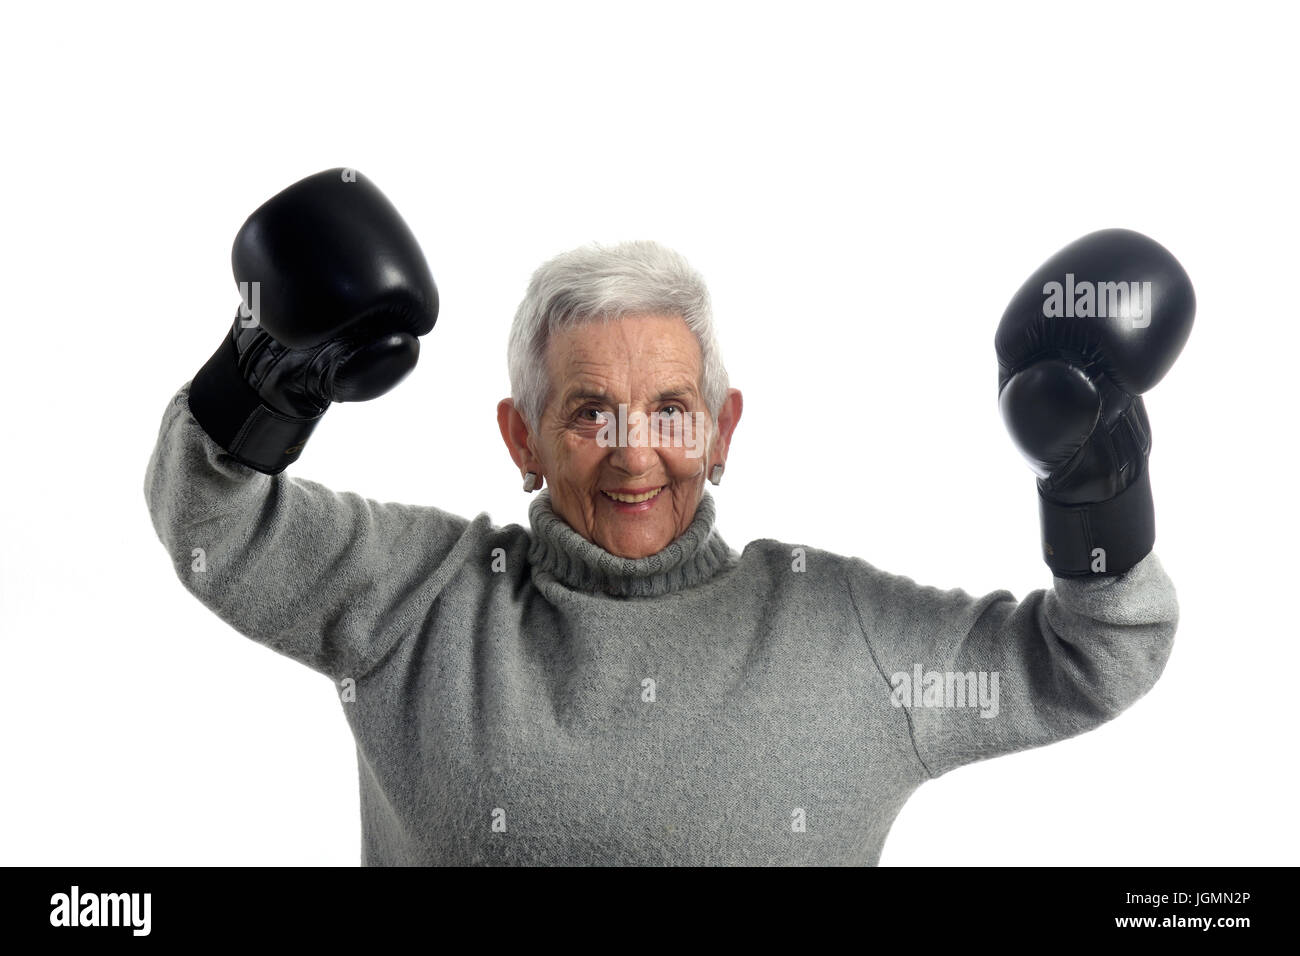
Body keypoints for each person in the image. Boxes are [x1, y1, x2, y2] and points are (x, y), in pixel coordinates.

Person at [144, 168, 1193, 865]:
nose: (635, 449)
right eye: (588, 411)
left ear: (724, 427)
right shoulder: (418, 600)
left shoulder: (842, 634)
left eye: (672, 411)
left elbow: (1095, 654)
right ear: (522, 439)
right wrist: (261, 370)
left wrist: (1093, 480)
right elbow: (213, 522)